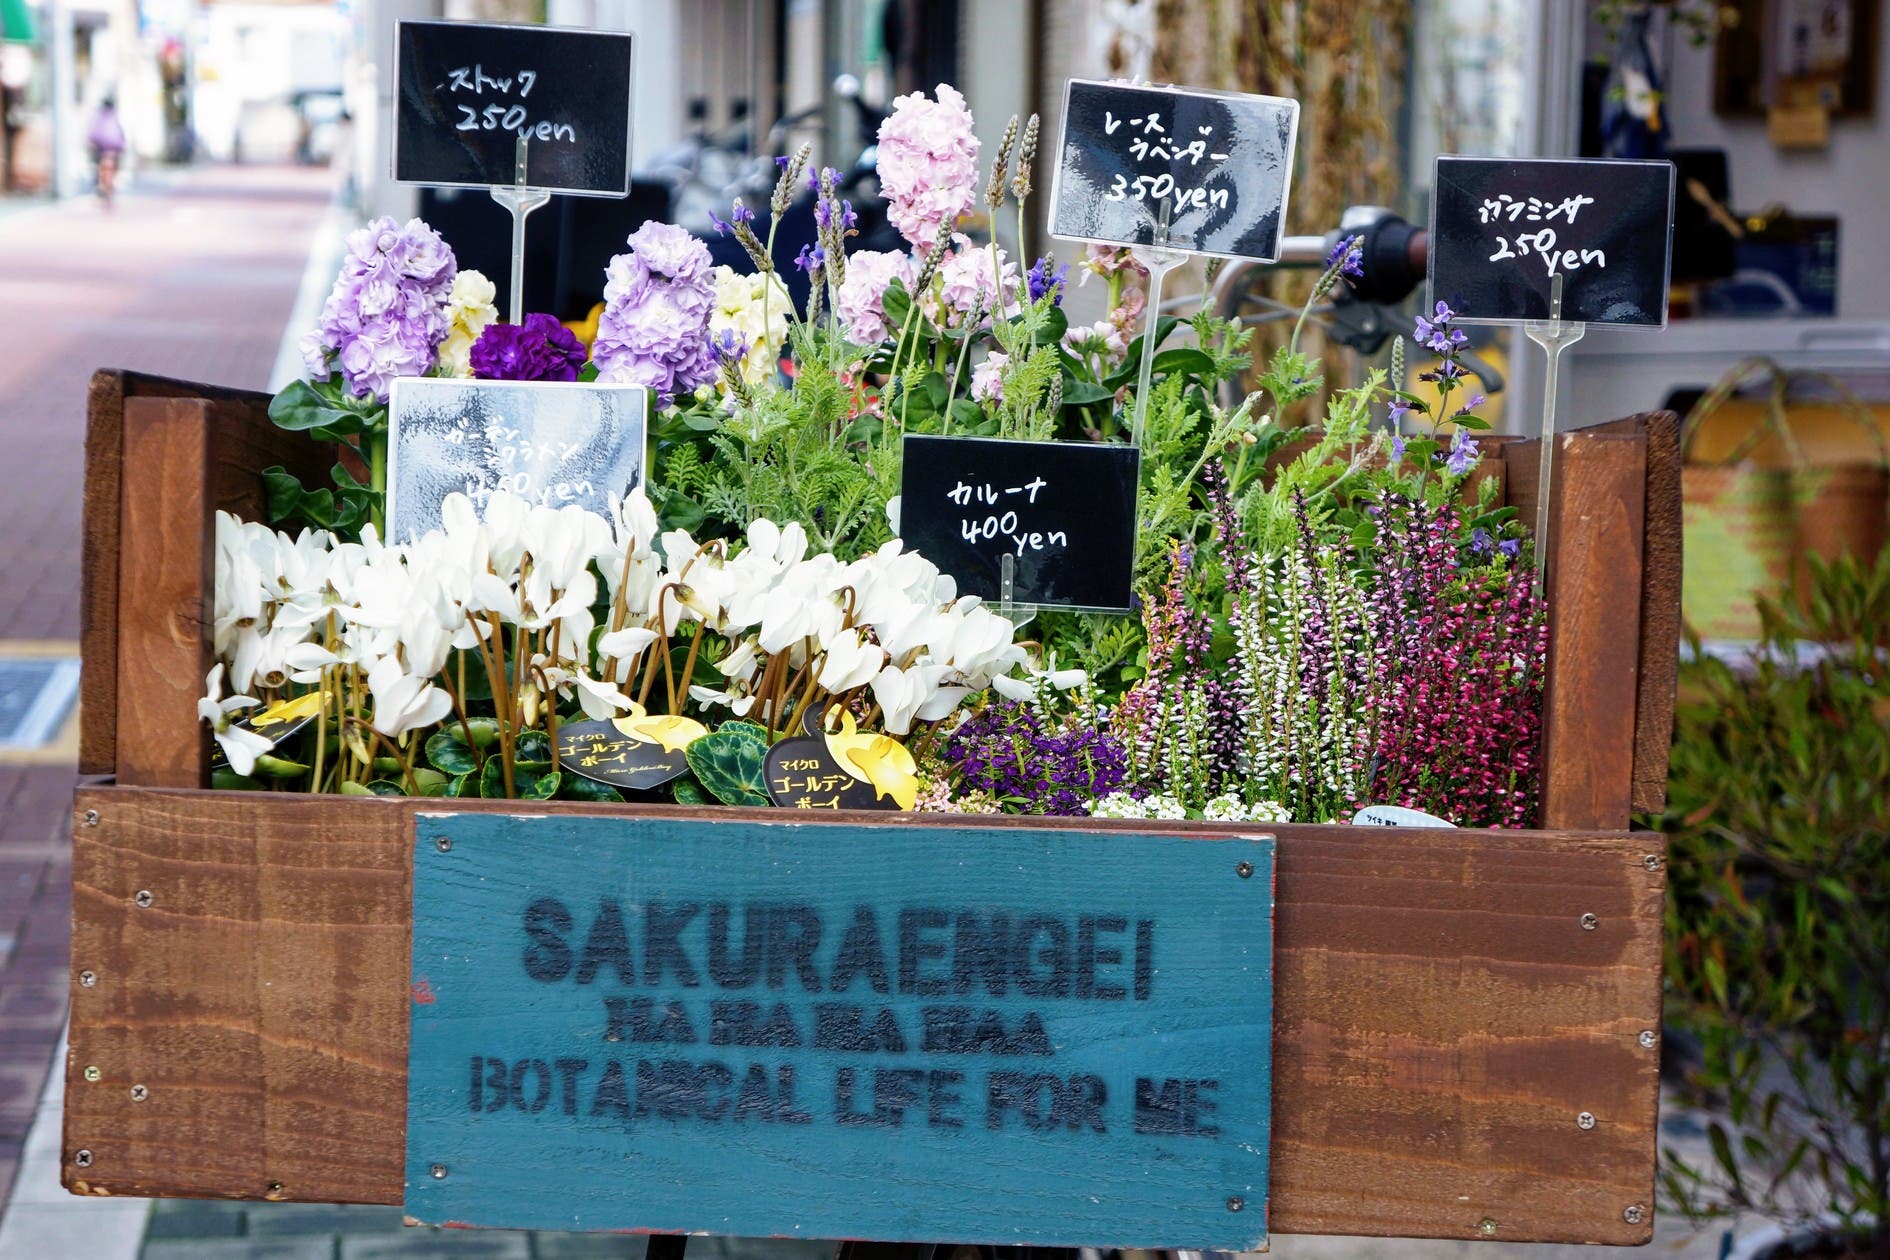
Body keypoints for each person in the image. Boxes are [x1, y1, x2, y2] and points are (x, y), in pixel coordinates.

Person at [88, 97, 126, 209]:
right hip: (114, 149)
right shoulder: (115, 117)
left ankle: (101, 188)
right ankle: (109, 187)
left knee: (100, 170)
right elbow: (121, 134)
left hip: (100, 148)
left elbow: (92, 134)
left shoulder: (99, 117)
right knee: (112, 170)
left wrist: (92, 144)